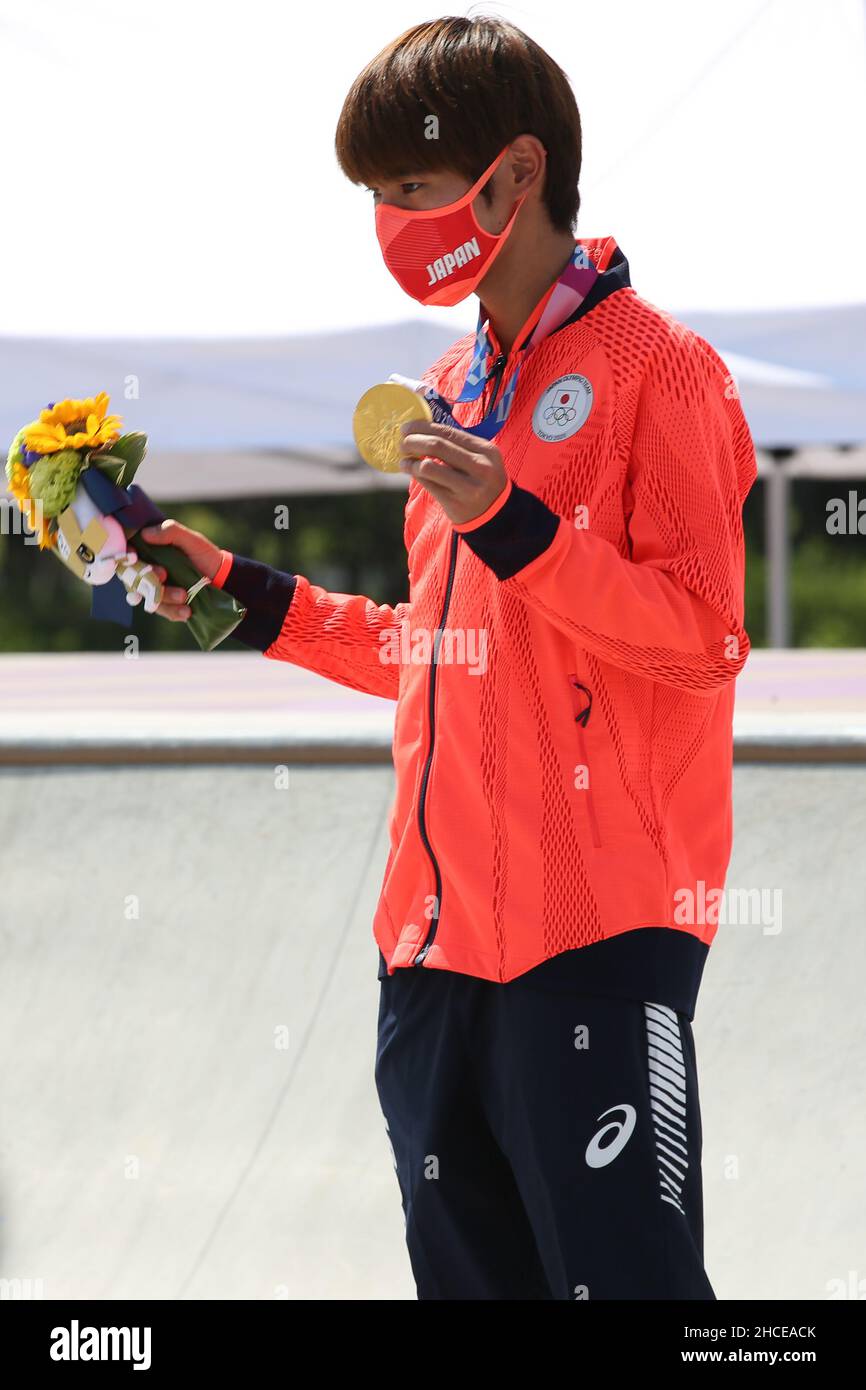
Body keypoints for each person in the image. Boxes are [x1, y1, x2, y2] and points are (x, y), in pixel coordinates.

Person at [143, 15, 757, 1300]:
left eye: (410, 184)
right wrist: (240, 595)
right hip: (429, 954)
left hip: (593, 940)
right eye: (374, 194)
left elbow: (702, 642)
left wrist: (518, 527)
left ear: (515, 173)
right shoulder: (450, 384)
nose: (389, 220)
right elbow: (440, 652)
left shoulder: (663, 370)